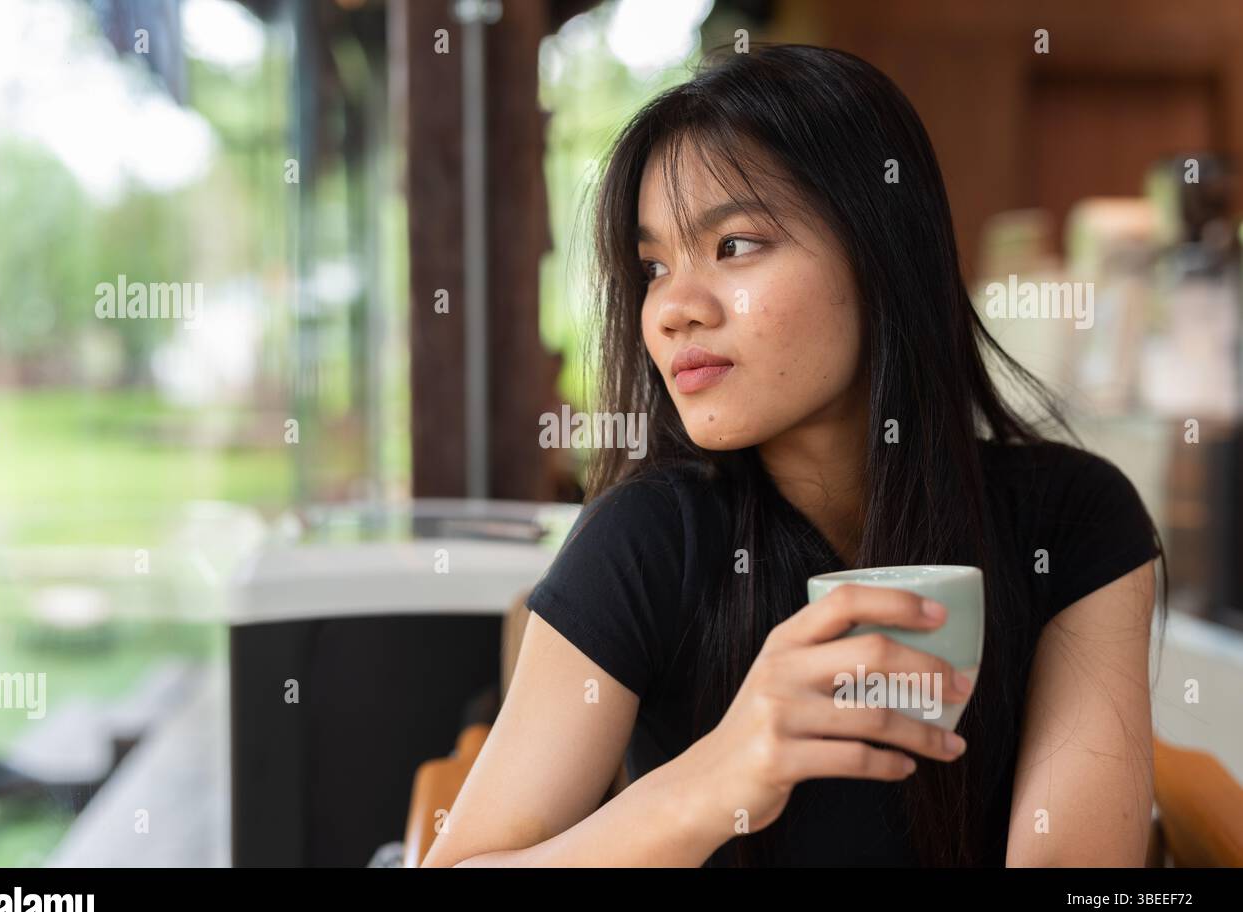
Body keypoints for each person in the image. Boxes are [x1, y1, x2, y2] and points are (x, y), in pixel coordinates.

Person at [421, 43, 1166, 868]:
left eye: (734, 246)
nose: (673, 309)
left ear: (879, 250)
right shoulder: (647, 541)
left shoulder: (1073, 524)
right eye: (654, 266)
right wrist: (712, 781)